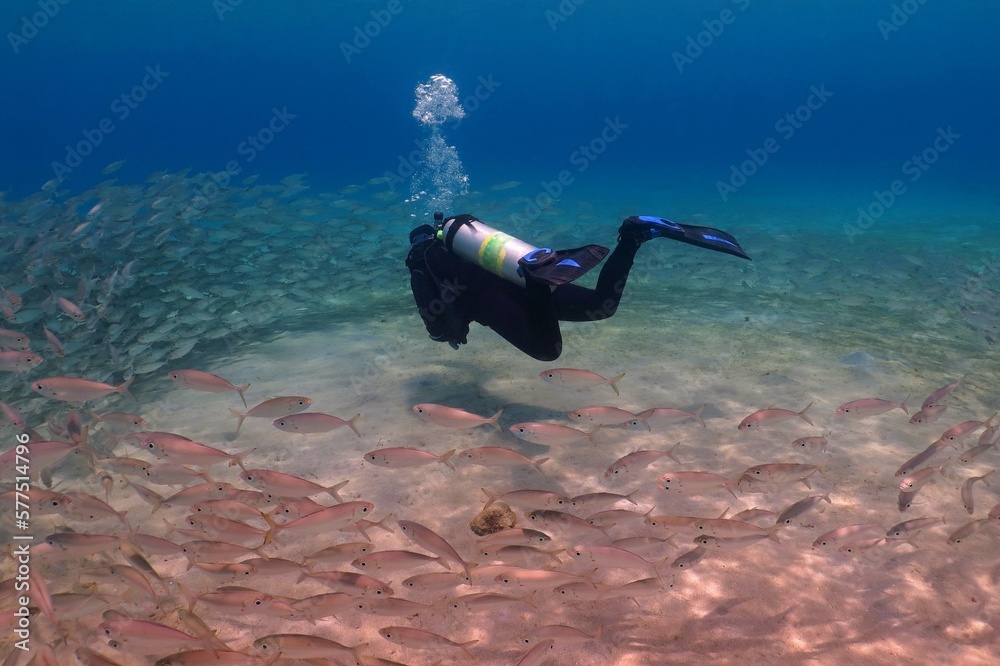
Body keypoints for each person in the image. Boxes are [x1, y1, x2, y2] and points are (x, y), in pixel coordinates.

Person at [405, 213, 751, 361]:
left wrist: (452, 333)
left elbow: (436, 322)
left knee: (547, 352)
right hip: (519, 272)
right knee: (603, 305)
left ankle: (540, 283)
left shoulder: (421, 267)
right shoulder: (457, 243)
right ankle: (631, 236)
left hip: (500, 294)